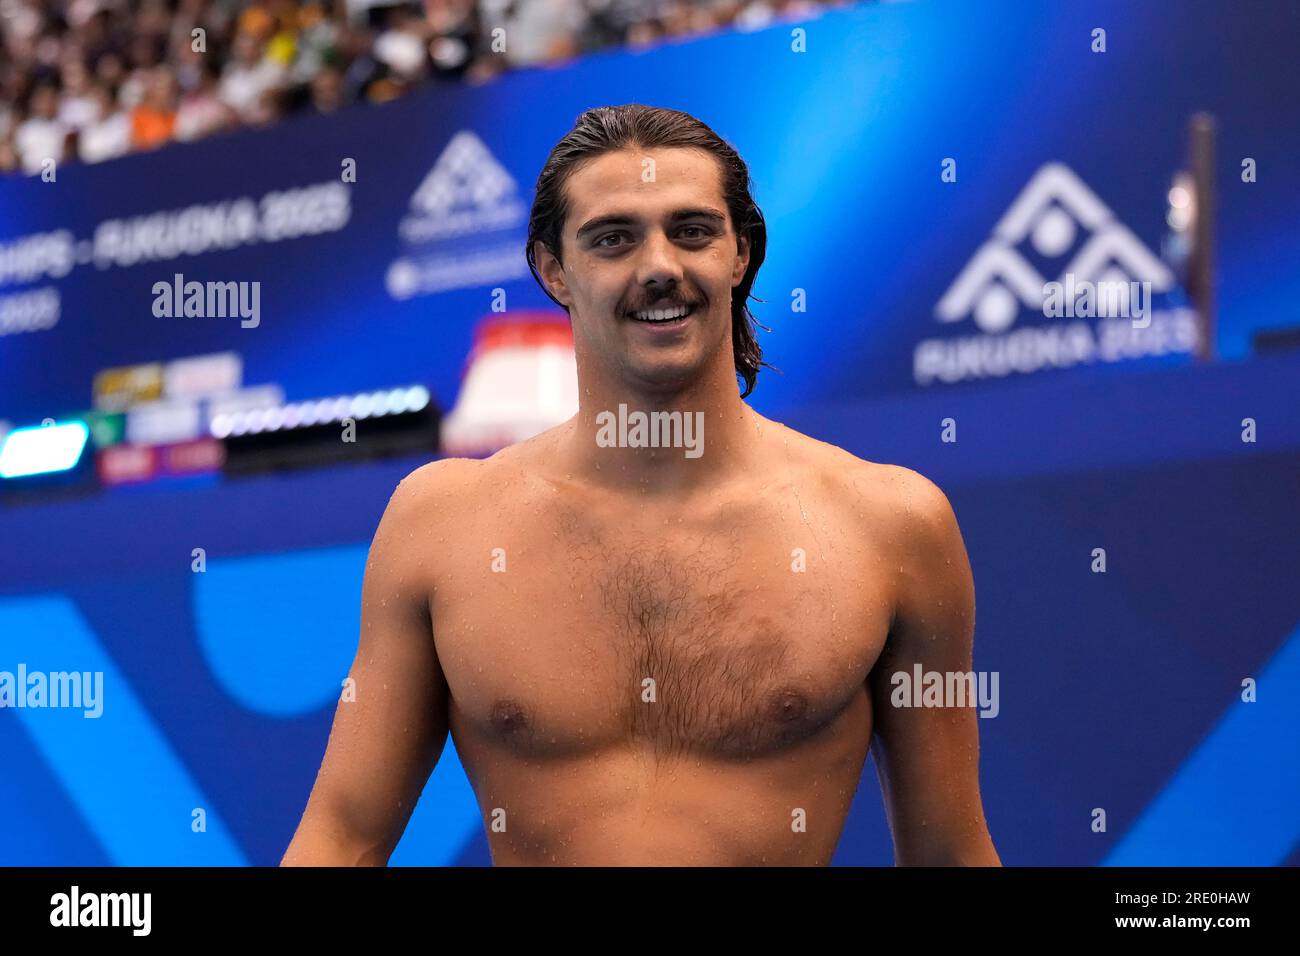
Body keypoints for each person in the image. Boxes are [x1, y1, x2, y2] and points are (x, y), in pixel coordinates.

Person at [283, 104, 1001, 866]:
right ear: (553, 270)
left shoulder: (892, 526)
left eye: (691, 230)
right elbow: (342, 837)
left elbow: (950, 853)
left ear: (741, 254)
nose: (659, 265)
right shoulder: (442, 524)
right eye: (614, 238)